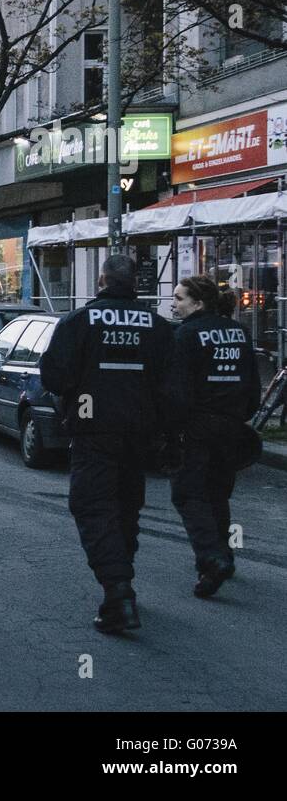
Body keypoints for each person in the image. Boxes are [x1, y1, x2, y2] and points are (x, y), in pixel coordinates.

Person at [40, 254, 170, 634]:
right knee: (127, 506)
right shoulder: (159, 326)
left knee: (94, 506)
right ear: (135, 283)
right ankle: (122, 577)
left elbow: (54, 375)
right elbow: (174, 387)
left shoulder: (80, 320)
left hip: (93, 429)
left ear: (101, 281)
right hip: (139, 432)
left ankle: (118, 591)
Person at [166, 276, 261, 598]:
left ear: (198, 303)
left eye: (179, 298)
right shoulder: (240, 332)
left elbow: (177, 392)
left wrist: (171, 430)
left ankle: (212, 558)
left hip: (197, 426)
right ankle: (226, 556)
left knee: (188, 494)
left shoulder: (186, 335)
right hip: (232, 425)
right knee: (218, 492)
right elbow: (252, 386)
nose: (174, 304)